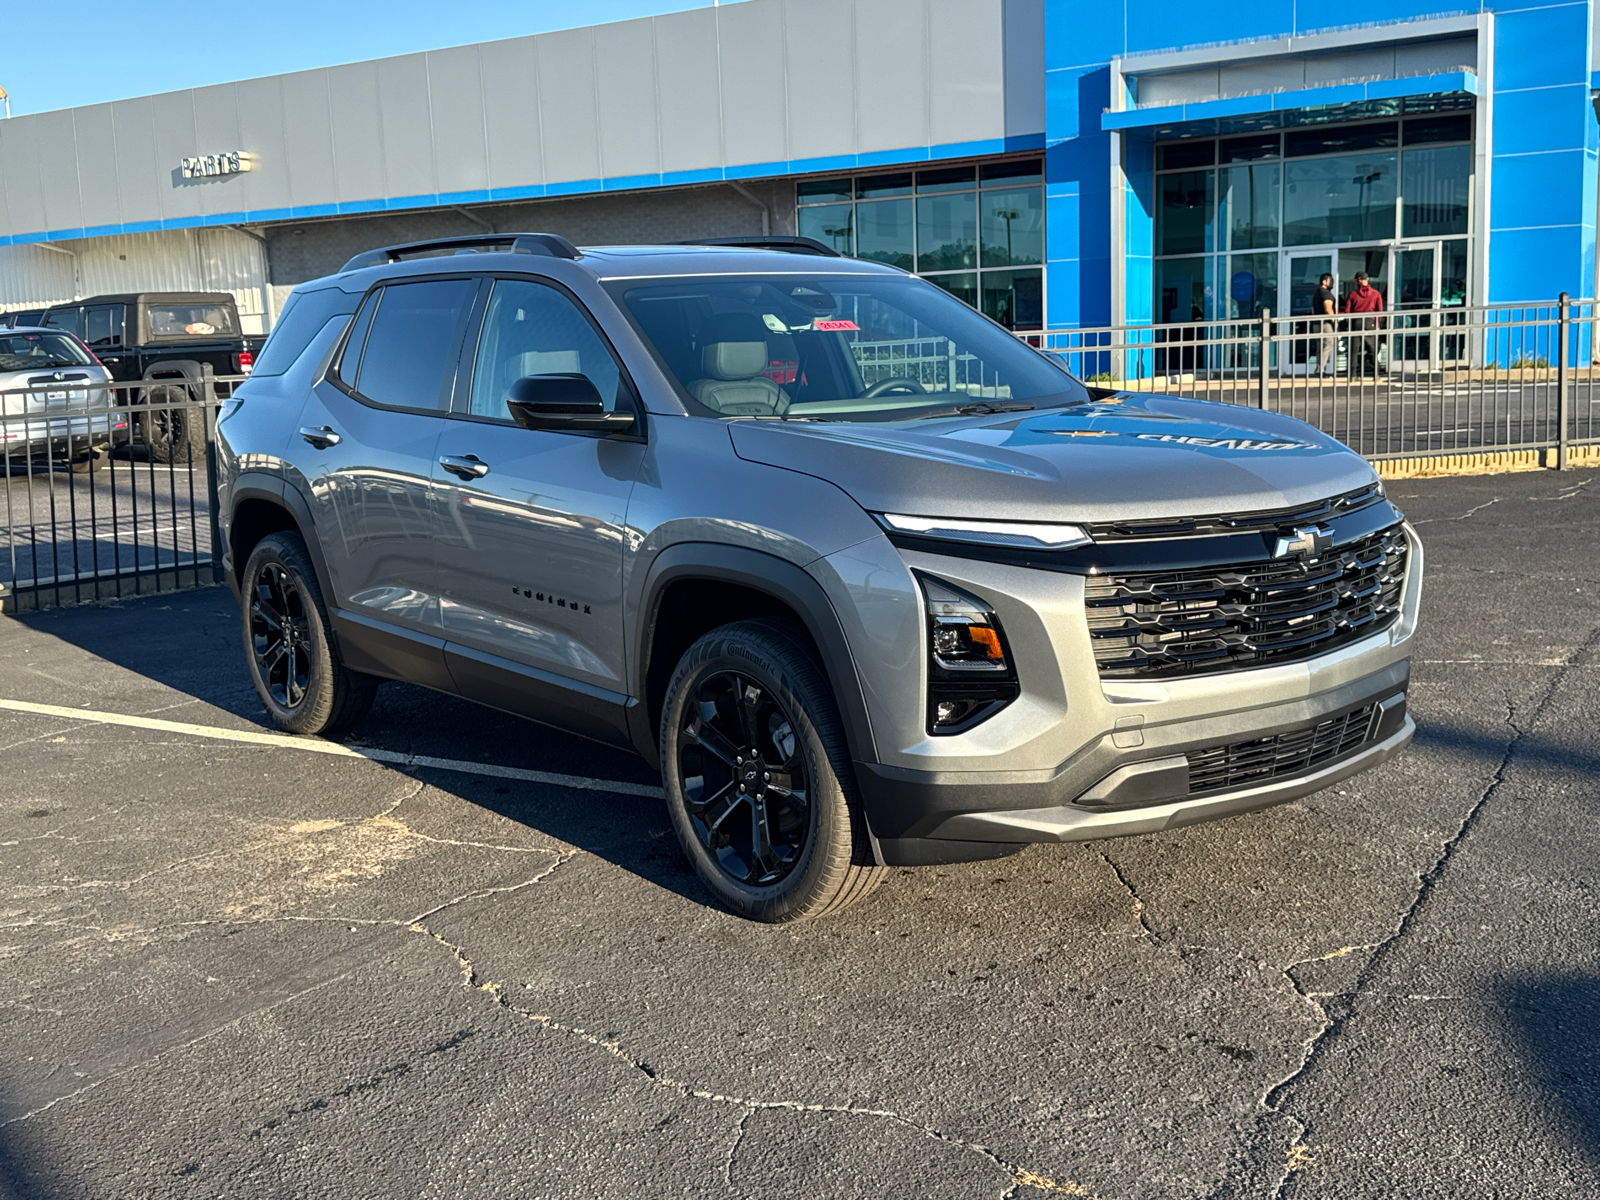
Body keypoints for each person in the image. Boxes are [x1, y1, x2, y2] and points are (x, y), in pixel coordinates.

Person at [1343, 271, 1384, 375]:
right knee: (1372, 348)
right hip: (1370, 322)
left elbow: (1347, 311)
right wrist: (1378, 325)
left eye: (1357, 280)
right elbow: (1380, 311)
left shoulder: (1352, 294)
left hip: (1356, 321)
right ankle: (1376, 372)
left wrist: (1348, 324)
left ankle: (1352, 373)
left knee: (1354, 350)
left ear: (1360, 280)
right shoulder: (1376, 294)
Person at [1312, 272, 1337, 376]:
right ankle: (1321, 370)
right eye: (1330, 280)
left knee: (1320, 347)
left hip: (1316, 323)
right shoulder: (1326, 293)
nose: (1332, 282)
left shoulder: (1316, 292)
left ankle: (1318, 369)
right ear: (1324, 282)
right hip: (1325, 323)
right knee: (1327, 346)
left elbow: (1313, 309)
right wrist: (1334, 321)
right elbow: (1328, 308)